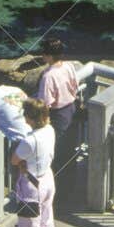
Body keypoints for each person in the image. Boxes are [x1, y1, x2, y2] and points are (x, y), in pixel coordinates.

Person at [11, 99, 57, 227]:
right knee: (47, 223)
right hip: (47, 179)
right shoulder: (50, 130)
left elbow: (14, 160)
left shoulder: (29, 141)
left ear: (29, 117)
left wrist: (22, 164)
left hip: (30, 188)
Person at [37, 37, 82, 179]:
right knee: (70, 147)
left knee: (57, 151)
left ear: (49, 56)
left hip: (58, 116)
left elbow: (45, 103)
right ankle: (71, 179)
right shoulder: (68, 66)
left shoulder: (48, 76)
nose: (42, 56)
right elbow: (75, 85)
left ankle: (60, 186)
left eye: (43, 53)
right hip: (72, 109)